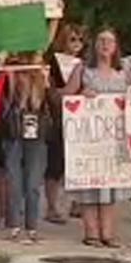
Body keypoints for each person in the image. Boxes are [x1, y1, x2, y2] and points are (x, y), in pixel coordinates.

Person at [63, 27, 129, 248]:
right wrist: (80, 96)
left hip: (113, 140)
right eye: (101, 40)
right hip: (88, 139)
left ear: (116, 46)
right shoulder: (83, 70)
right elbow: (64, 96)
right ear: (95, 44)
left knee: (111, 187)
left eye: (110, 41)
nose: (105, 44)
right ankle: (91, 232)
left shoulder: (124, 73)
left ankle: (108, 233)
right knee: (90, 188)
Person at [0, 52, 50, 243]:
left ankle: (32, 227)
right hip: (14, 133)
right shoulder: (11, 75)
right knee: (14, 181)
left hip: (37, 133)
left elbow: (51, 100)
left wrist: (44, 79)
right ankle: (13, 225)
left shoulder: (42, 78)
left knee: (32, 183)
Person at [44, 23, 84, 224]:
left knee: (77, 164)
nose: (77, 44)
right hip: (58, 118)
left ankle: (76, 204)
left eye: (80, 39)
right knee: (55, 165)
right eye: (73, 39)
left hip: (79, 120)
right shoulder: (53, 63)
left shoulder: (84, 64)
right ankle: (52, 206)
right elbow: (50, 90)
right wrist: (67, 93)